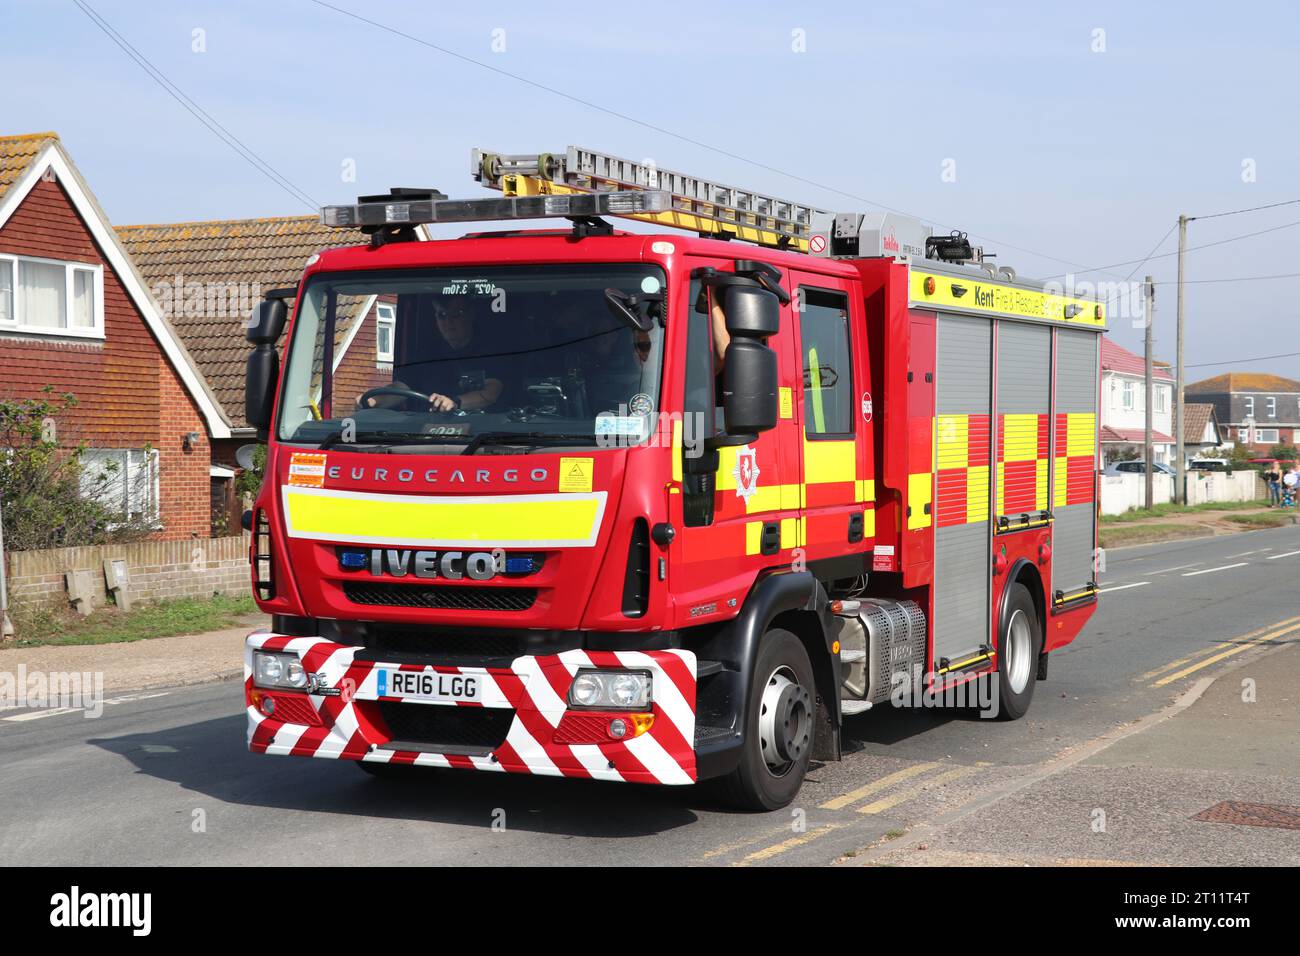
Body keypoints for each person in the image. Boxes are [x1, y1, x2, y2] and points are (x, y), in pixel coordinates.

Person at [371, 297, 504, 412]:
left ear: (471, 314)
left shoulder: (491, 352)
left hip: (481, 433)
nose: (448, 322)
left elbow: (491, 392)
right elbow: (403, 387)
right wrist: (375, 400)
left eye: (456, 314)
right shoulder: (427, 355)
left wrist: (454, 402)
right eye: (442, 315)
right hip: (426, 434)